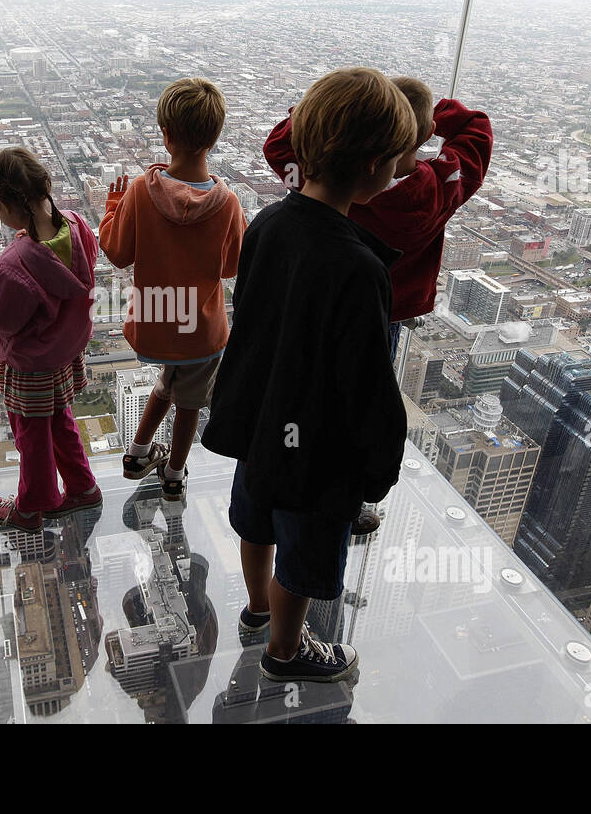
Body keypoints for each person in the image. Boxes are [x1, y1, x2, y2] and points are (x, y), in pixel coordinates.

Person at [202, 67, 416, 683]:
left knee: (256, 518)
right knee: (305, 546)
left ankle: (254, 609)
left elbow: (258, 329)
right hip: (316, 445)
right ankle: (285, 653)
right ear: (376, 164)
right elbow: (366, 383)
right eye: (399, 159)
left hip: (267, 425)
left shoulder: (268, 223)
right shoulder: (358, 266)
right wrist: (375, 466)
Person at [263, 76, 492, 535]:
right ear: (421, 136)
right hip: (384, 314)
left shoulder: (318, 171)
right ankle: (345, 489)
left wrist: (366, 98)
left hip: (309, 304)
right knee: (359, 399)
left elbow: (280, 144)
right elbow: (476, 135)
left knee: (298, 392)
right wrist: (428, 116)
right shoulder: (433, 189)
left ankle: (284, 465)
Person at [99, 77, 246, 500]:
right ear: (215, 139)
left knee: (168, 379)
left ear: (165, 135)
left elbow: (116, 253)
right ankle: (175, 475)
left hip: (156, 321)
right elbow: (233, 265)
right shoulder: (229, 203)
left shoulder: (142, 191)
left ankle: (138, 452)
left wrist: (113, 208)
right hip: (200, 329)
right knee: (189, 403)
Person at [0, 147, 101, 533]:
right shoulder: (77, 227)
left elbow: (3, 320)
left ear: (7, 205)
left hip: (31, 368)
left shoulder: (16, 262)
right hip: (64, 357)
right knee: (60, 422)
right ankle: (82, 486)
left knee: (31, 437)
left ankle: (29, 508)